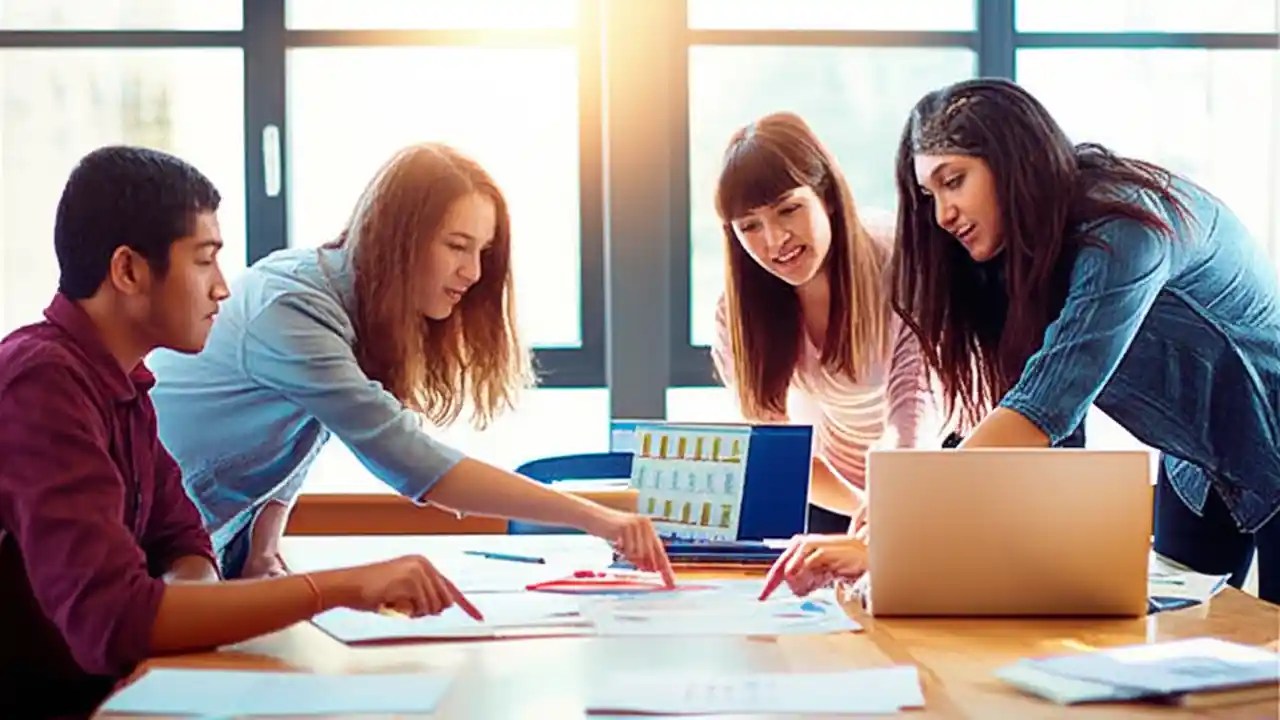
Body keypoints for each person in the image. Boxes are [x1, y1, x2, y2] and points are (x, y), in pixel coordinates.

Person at [0, 146, 485, 716]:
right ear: (129, 270)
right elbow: (116, 623)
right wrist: (342, 587)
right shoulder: (42, 384)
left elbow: (183, 537)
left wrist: (189, 585)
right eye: (204, 260)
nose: (222, 288)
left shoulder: (125, 383)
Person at [765, 78, 1280, 605]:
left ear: (1010, 161)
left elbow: (1041, 408)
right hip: (1194, 463)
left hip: (1273, 437)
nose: (942, 214)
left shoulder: (1128, 230)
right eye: (929, 195)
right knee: (1179, 644)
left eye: (954, 180)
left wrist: (903, 525)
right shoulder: (1027, 259)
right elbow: (1051, 449)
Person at [149, 143, 674, 584]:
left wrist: (263, 546)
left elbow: (301, 434)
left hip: (206, 548)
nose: (471, 273)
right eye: (456, 247)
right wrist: (598, 518)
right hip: (145, 549)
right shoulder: (291, 308)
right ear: (397, 239)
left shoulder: (348, 304)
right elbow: (413, 462)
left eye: (482, 253)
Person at [710, 112, 934, 536]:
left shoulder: (902, 265)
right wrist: (863, 510)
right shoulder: (736, 311)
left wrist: (888, 507)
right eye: (750, 226)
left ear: (826, 195)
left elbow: (913, 415)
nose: (775, 240)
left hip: (930, 470)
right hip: (834, 488)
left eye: (789, 210)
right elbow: (779, 449)